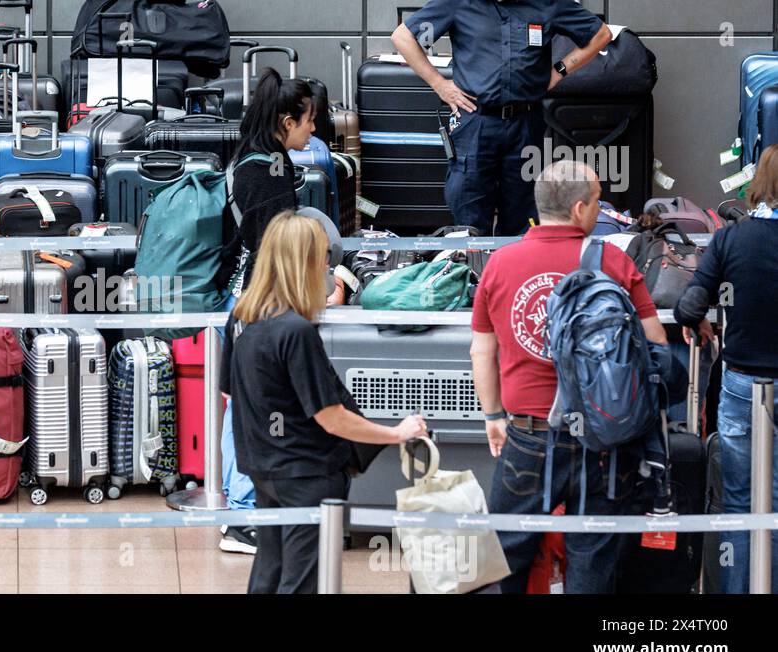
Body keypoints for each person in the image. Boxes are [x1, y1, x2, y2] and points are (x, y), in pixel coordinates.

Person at [469, 160, 669, 593]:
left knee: (503, 561)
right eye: (597, 201)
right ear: (579, 209)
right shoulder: (612, 261)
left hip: (528, 436)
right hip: (604, 441)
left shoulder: (500, 263)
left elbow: (481, 350)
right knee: (593, 564)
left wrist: (492, 416)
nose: (600, 209)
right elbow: (656, 344)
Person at [221, 211, 428, 593]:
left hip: (263, 466)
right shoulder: (296, 332)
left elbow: (230, 392)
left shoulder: (242, 317)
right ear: (303, 263)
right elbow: (332, 418)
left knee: (269, 568)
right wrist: (396, 433)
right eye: (322, 258)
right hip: (306, 471)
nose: (327, 268)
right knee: (302, 578)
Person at [217, 69, 347, 554]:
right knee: (251, 410)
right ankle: (242, 517)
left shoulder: (256, 157)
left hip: (246, 301)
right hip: (256, 302)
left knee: (245, 406)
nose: (313, 130)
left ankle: (243, 511)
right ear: (286, 121)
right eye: (308, 121)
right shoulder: (265, 170)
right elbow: (273, 250)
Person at [391, 0, 613, 235]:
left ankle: (517, 258)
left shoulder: (548, 4)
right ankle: (474, 259)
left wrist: (559, 72)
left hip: (526, 123)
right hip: (475, 121)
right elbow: (403, 37)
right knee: (469, 215)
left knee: (524, 214)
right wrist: (439, 84)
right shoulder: (457, 3)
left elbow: (601, 34)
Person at [675, 144, 778, 593]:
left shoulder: (730, 239)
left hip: (740, 385)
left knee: (738, 499)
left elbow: (688, 307)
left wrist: (700, 321)